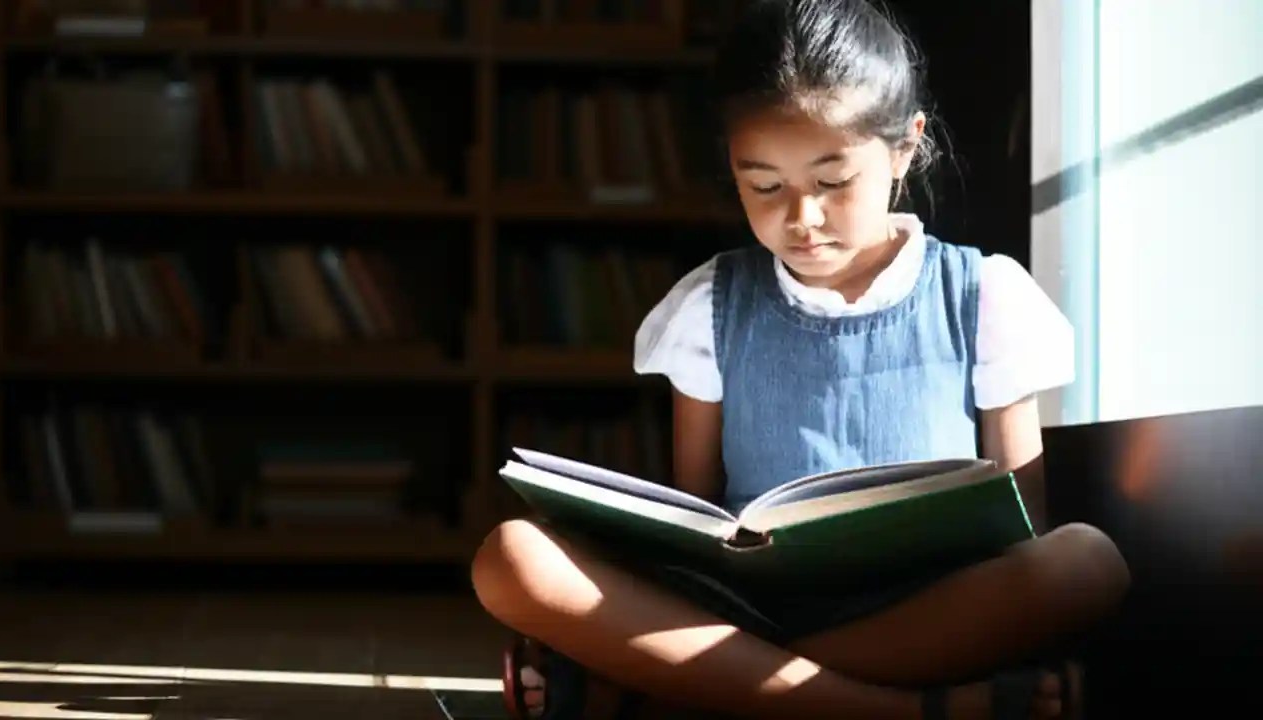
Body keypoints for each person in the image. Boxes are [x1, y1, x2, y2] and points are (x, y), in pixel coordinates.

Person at [471, 1, 1131, 718]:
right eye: (764, 186)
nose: (801, 218)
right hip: (752, 607)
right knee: (512, 559)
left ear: (905, 151)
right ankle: (906, 710)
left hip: (925, 609)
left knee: (1086, 560)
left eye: (832, 182)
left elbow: (1020, 521)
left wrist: (637, 650)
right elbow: (693, 520)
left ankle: (686, 687)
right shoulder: (710, 305)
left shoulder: (983, 295)